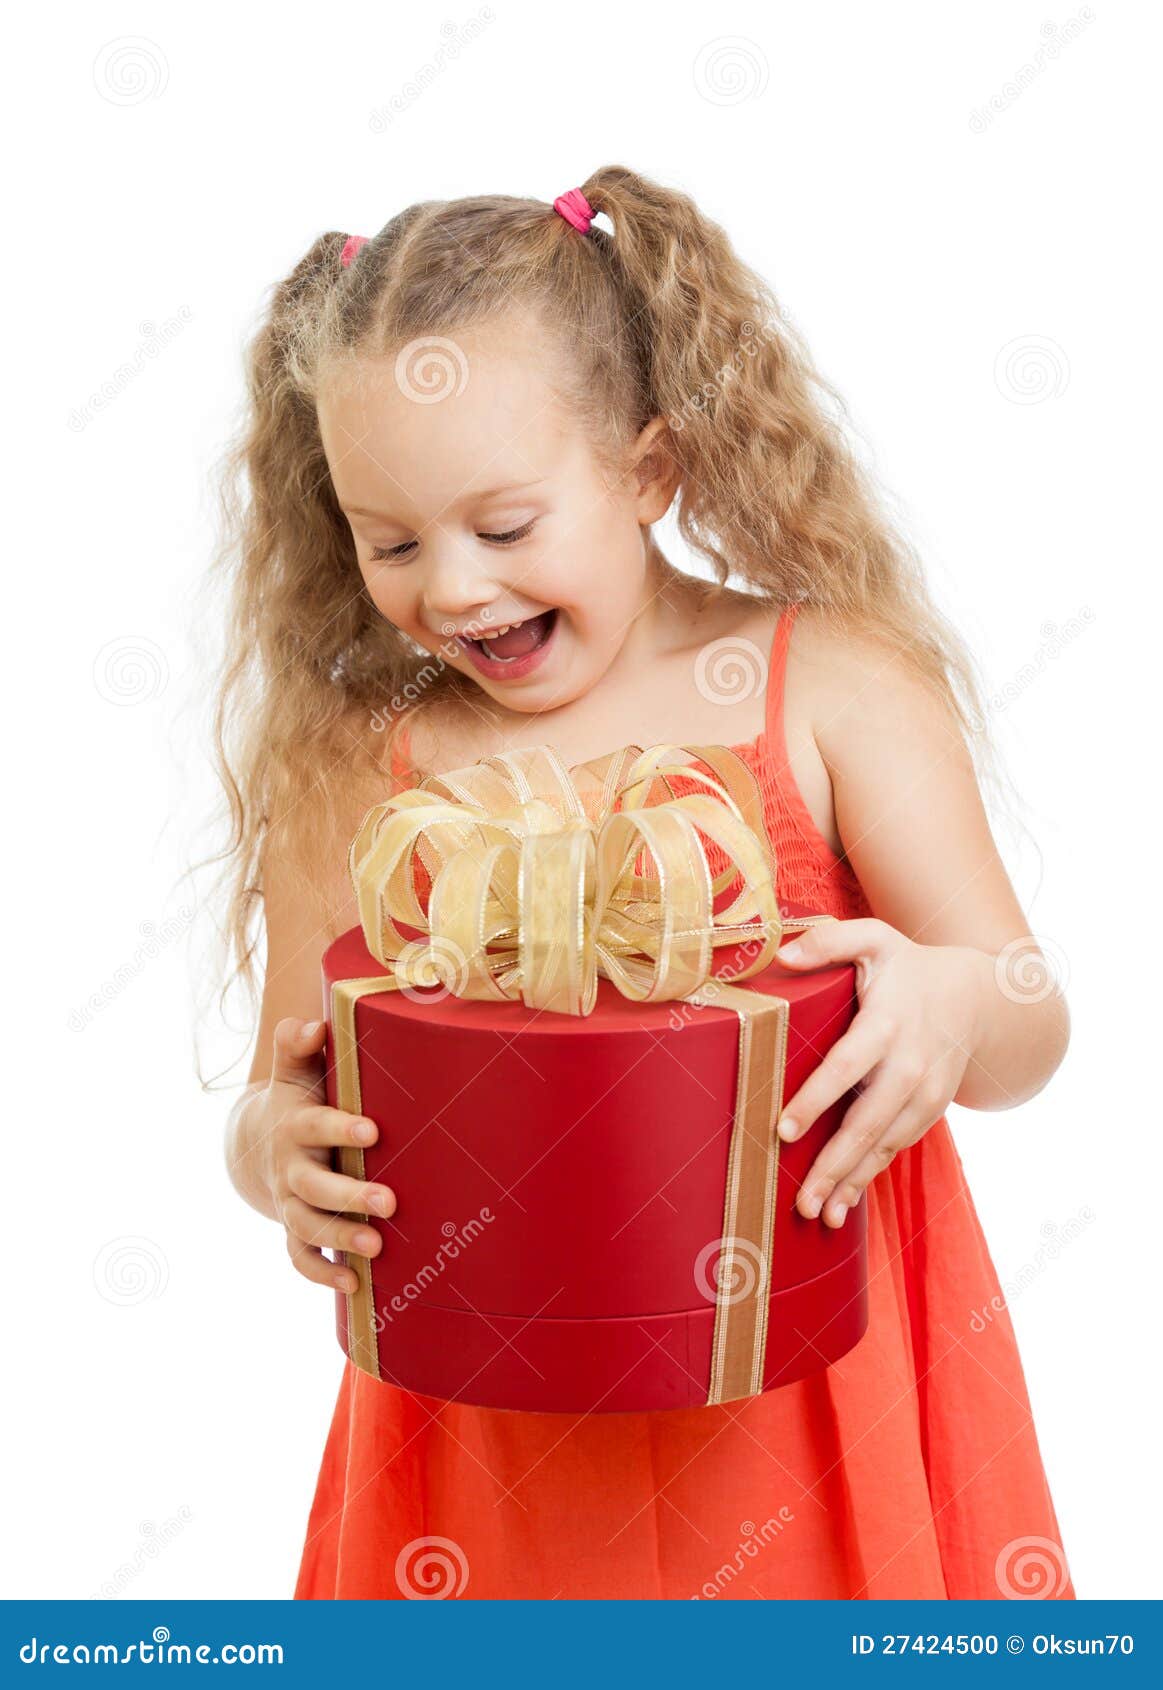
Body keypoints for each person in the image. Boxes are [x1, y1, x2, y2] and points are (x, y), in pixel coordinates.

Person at [211, 168, 1075, 1599]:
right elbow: (288, 1083)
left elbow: (1025, 1017)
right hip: (487, 1431)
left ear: (647, 473)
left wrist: (945, 1001)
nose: (457, 590)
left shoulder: (833, 689)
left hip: (814, 1405)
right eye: (393, 542)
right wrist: (268, 1149)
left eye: (505, 524)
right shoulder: (367, 759)